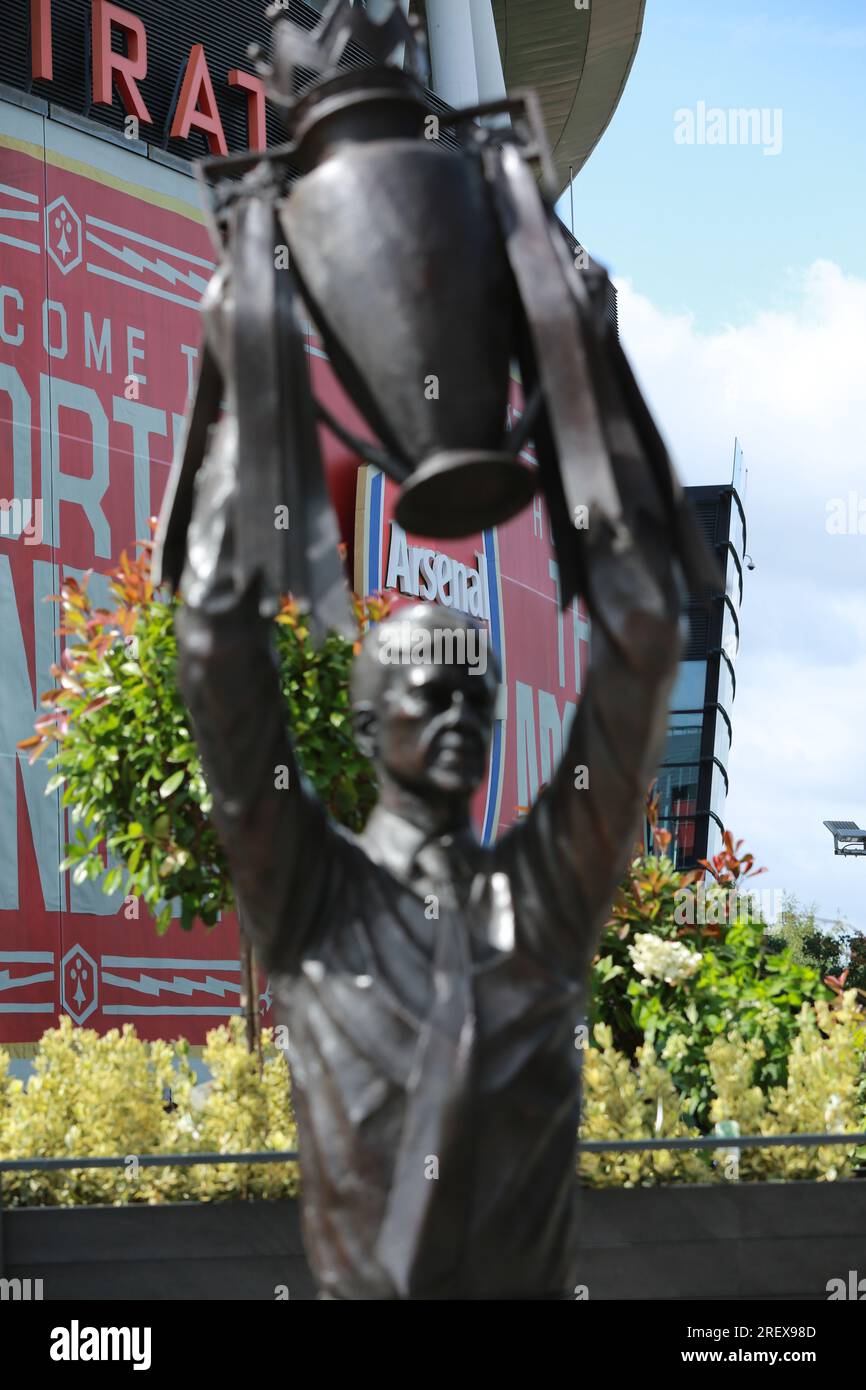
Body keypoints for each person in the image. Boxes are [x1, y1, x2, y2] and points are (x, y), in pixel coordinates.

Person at [175, 426, 682, 1300]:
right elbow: (218, 646)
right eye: (433, 697)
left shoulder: (546, 897)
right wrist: (258, 380)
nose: (461, 719)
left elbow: (642, 632)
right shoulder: (314, 899)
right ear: (369, 729)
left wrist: (579, 385)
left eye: (477, 703)